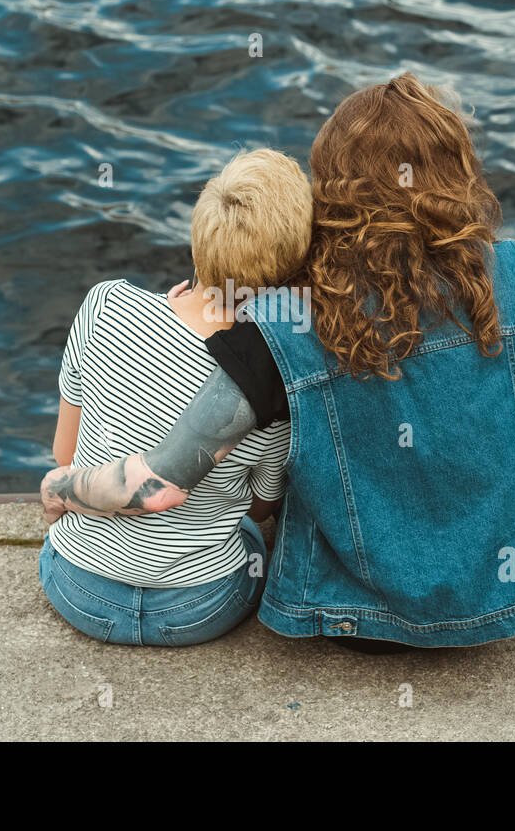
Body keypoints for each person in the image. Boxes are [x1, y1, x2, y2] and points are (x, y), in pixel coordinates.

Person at [42, 73, 515, 650]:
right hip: (505, 587)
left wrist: (61, 485)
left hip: (342, 609)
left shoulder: (282, 325)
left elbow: (162, 480)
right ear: (455, 174)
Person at [38, 149, 311, 646]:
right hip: (197, 607)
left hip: (77, 588)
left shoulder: (104, 306)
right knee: (251, 538)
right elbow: (261, 508)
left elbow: (64, 455)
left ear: (200, 233)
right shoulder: (270, 378)